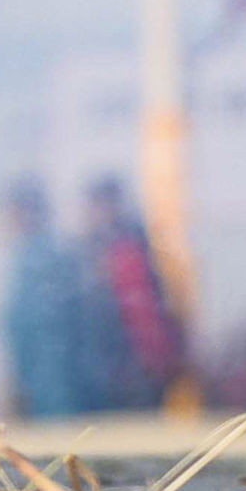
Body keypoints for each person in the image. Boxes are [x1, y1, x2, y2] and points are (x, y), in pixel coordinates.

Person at [0, 178, 112, 421]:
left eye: (15, 211)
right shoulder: (29, 257)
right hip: (45, 385)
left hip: (58, 390)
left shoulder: (43, 260)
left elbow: (49, 333)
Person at [78, 175, 185, 412]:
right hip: (113, 367)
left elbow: (143, 312)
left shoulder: (127, 247)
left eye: (100, 204)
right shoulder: (92, 248)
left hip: (133, 368)